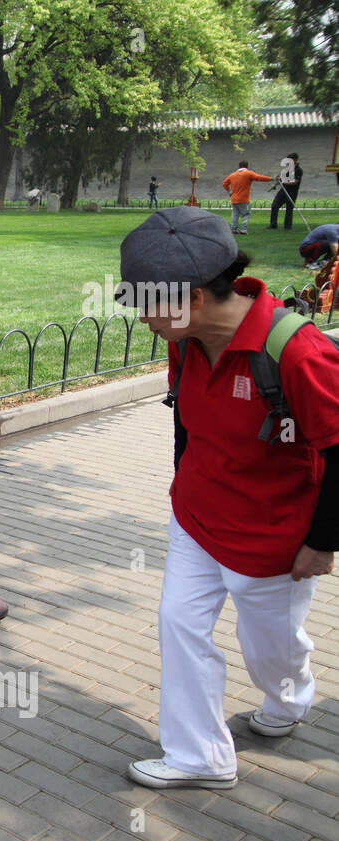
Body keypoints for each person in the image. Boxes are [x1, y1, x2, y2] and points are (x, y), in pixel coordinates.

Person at [117, 206, 339, 790]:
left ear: (192, 298)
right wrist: (181, 483)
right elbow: (185, 424)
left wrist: (321, 543)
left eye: (148, 304)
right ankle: (200, 757)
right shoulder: (185, 341)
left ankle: (289, 700)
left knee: (270, 646)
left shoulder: (298, 352)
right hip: (196, 516)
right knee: (179, 623)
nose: (141, 318)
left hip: (273, 536)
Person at [221, 161, 271, 235]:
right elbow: (258, 177)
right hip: (244, 200)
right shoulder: (248, 173)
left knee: (235, 215)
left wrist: (229, 191)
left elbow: (225, 183)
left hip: (234, 199)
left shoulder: (232, 175)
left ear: (239, 166)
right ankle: (243, 230)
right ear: (247, 166)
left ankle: (233, 229)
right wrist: (270, 179)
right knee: (246, 214)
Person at [268, 153, 303, 230]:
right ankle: (273, 224)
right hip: (283, 190)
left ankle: (287, 227)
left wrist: (284, 182)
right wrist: (276, 183)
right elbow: (280, 178)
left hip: (292, 192)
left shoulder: (298, 170)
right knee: (274, 205)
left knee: (289, 209)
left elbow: (295, 182)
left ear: (295, 160)